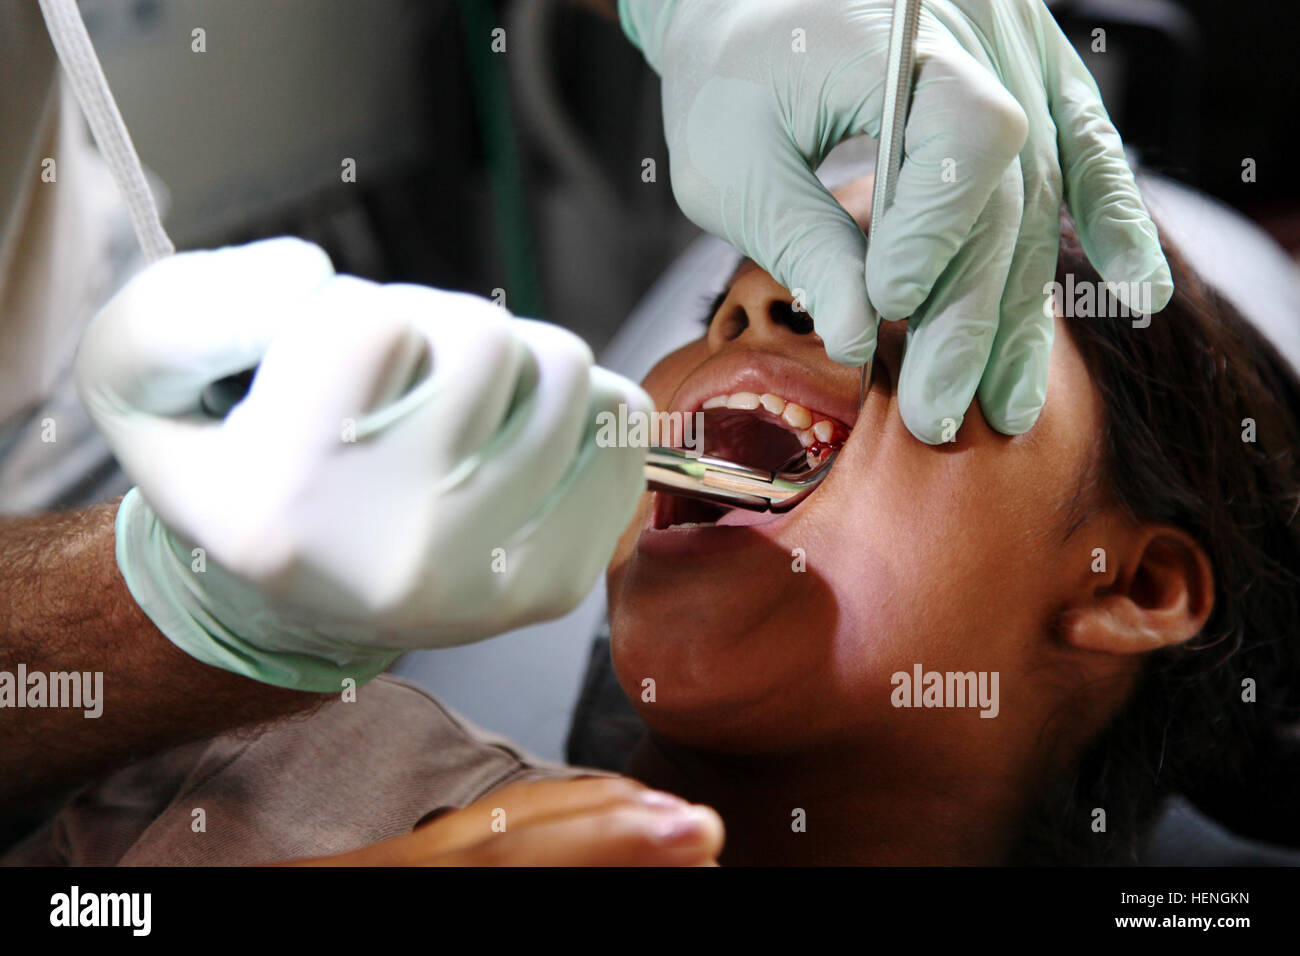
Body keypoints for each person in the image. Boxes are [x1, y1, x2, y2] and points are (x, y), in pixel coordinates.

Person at [2, 0, 1175, 859]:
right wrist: (171, 600)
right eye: (725, 304)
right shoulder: (262, 757)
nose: (763, 302)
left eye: (936, 307)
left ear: (1139, 582)